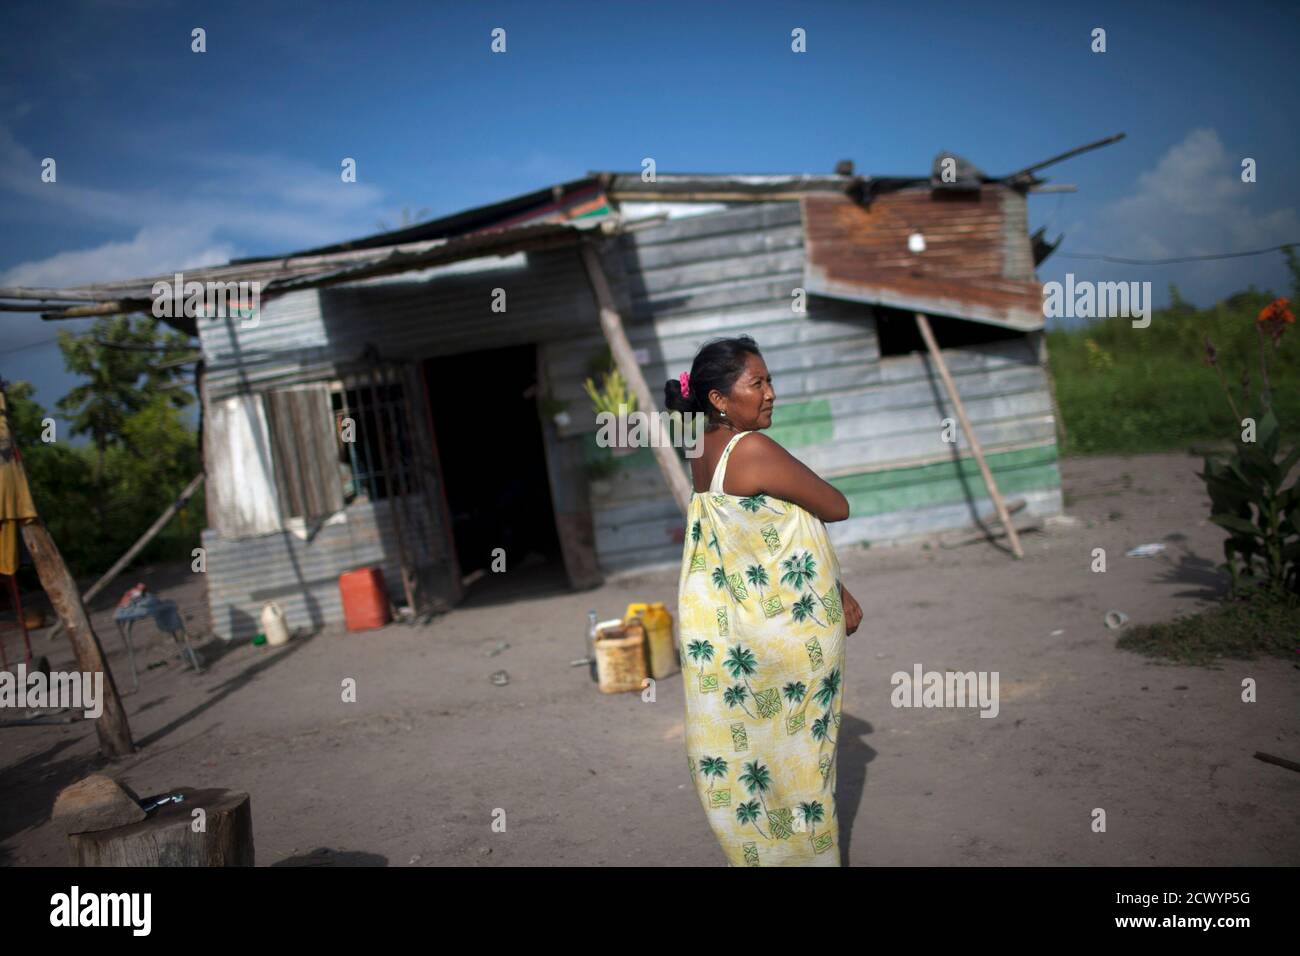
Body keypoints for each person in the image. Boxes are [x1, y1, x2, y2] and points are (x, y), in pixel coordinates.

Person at [665, 336, 863, 866]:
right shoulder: (752, 449)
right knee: (806, 772)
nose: (771, 393)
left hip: (746, 635)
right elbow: (836, 506)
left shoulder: (700, 451)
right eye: (757, 383)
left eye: (769, 380)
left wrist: (836, 587)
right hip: (796, 641)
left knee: (763, 763)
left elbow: (753, 539)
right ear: (720, 400)